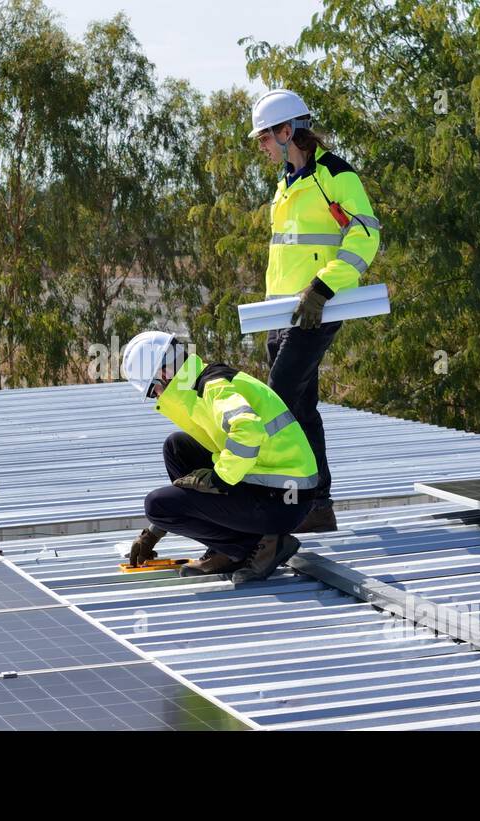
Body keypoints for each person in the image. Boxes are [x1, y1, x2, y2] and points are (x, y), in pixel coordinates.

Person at [248, 89, 382, 532]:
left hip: (316, 310)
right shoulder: (286, 182)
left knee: (277, 400)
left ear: (288, 132)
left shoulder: (336, 176)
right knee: (301, 408)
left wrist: (323, 288)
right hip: (281, 313)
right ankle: (318, 507)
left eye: (265, 137)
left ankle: (267, 504)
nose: (262, 146)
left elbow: (364, 239)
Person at [120, 330, 317, 584]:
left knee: (157, 505)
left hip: (285, 499)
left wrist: (219, 479)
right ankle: (230, 546)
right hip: (278, 487)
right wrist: (155, 531)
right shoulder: (202, 381)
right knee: (177, 448)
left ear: (164, 375)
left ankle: (252, 546)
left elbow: (248, 429)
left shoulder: (213, 388)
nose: (156, 397)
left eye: (152, 391)